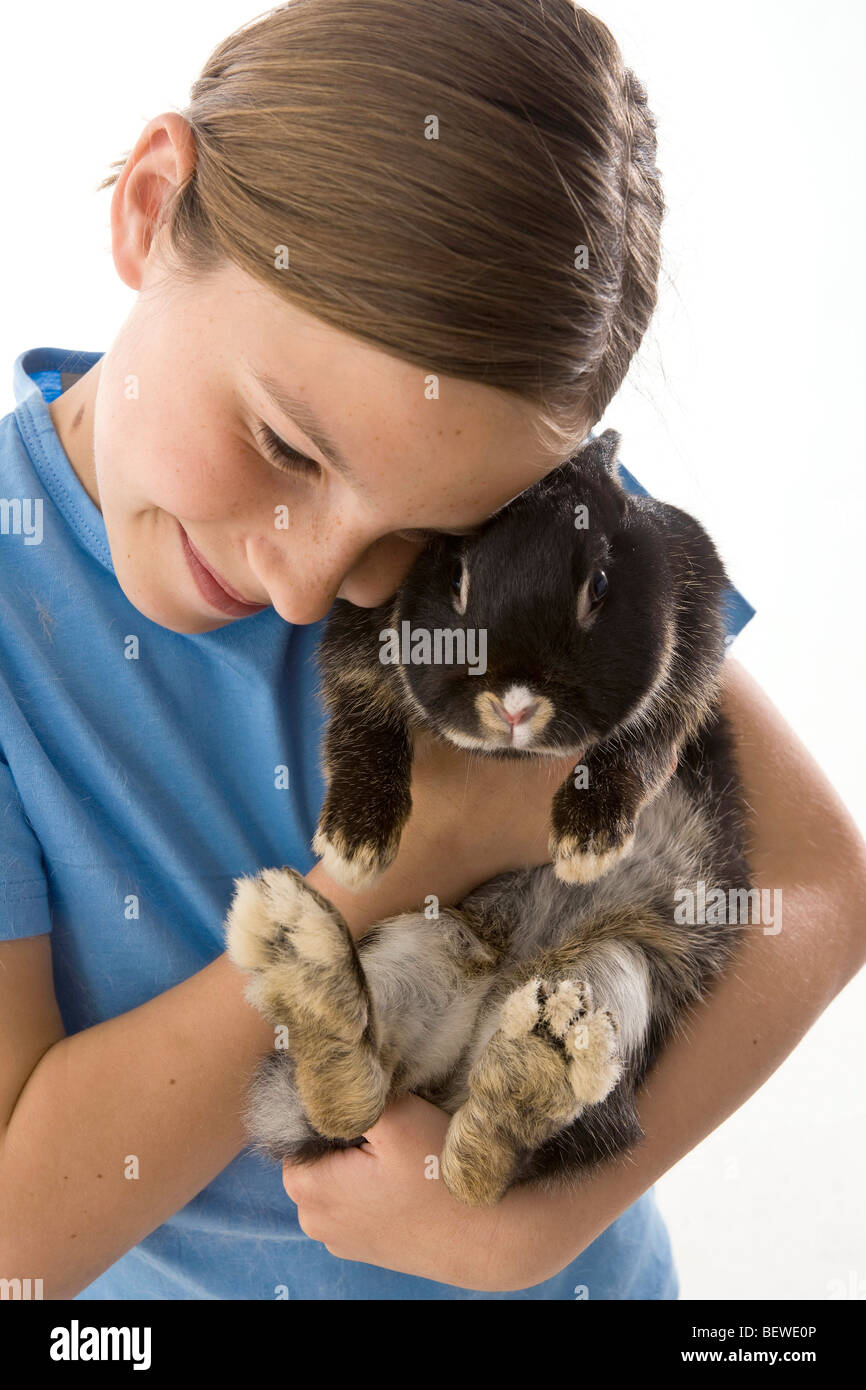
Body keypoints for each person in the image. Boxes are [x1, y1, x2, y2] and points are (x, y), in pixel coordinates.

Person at [0, 1, 863, 1301]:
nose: (302, 586)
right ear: (148, 204)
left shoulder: (537, 532)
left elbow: (813, 884)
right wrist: (406, 862)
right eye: (286, 445)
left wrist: (542, 1215)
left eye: (424, 534)